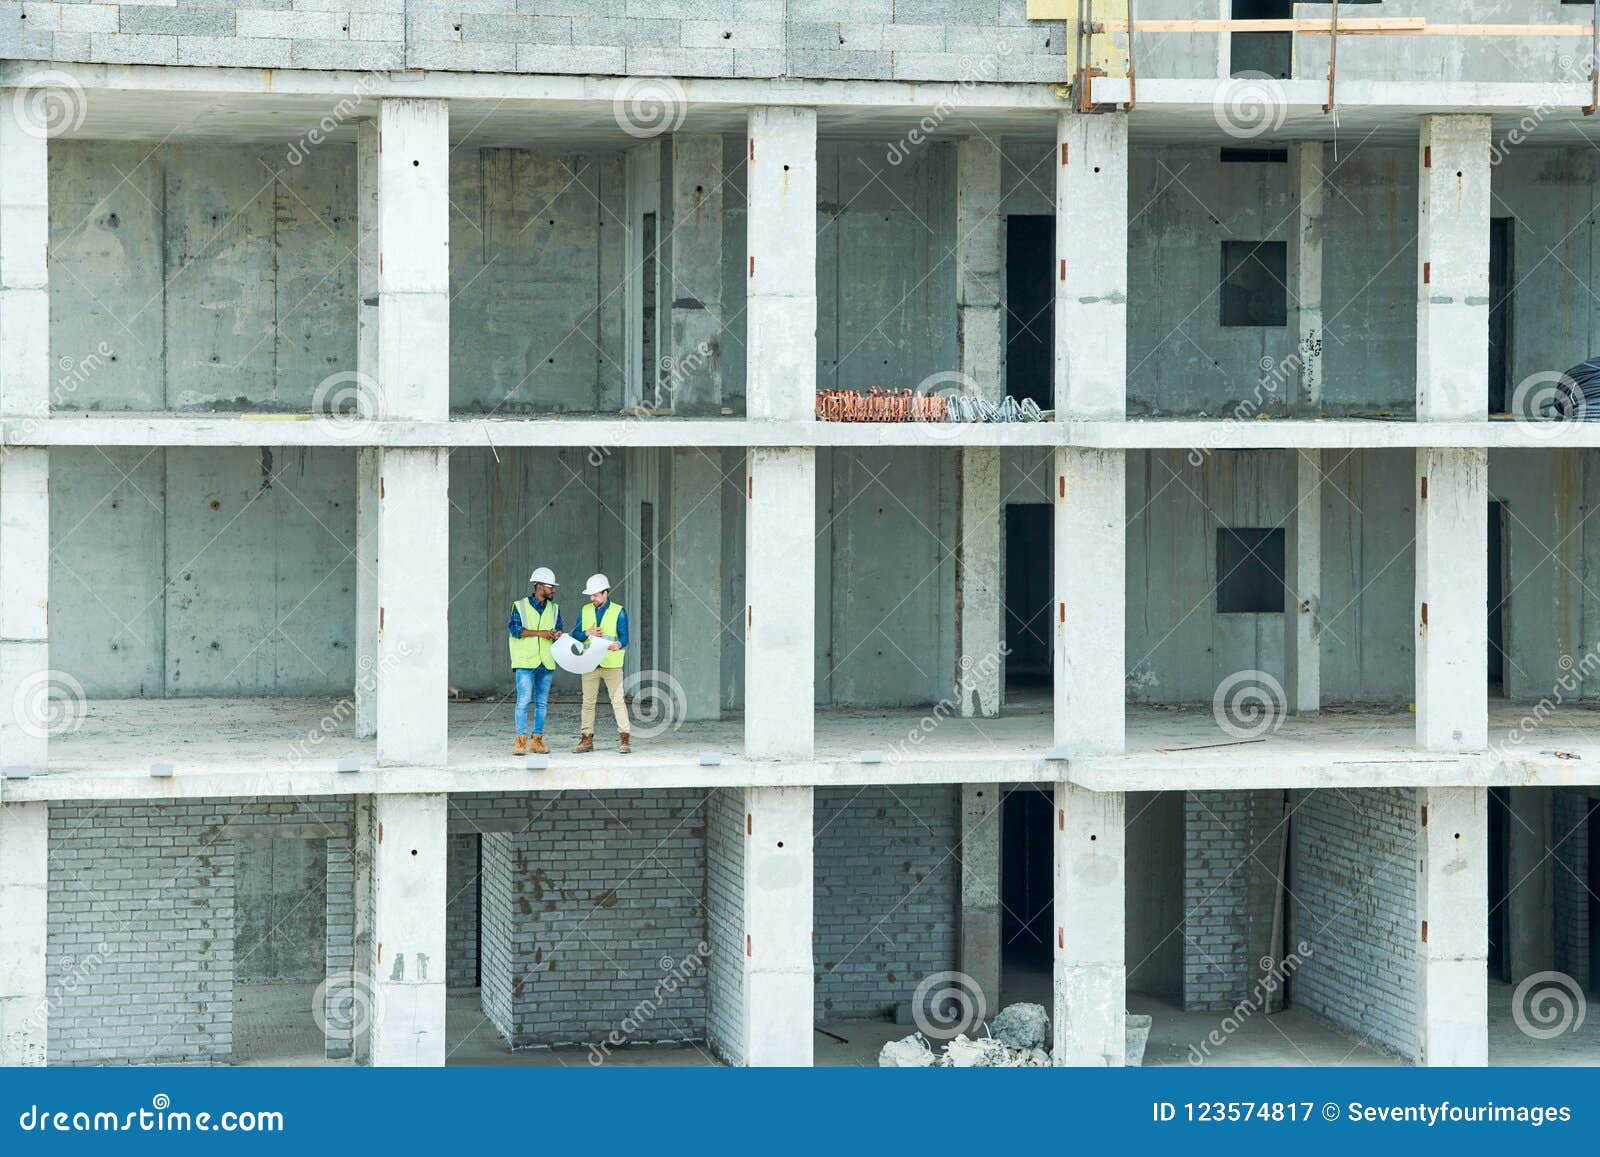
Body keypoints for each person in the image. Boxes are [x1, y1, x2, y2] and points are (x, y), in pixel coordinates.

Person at [571, 572, 631, 754]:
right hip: (589, 664)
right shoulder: (585, 610)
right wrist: (587, 633)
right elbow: (575, 636)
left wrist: (618, 644)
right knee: (588, 702)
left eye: (595, 595)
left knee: (618, 701)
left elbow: (625, 637)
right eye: (591, 595)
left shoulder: (619, 612)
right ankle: (586, 739)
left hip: (612, 664)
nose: (592, 598)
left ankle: (625, 739)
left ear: (605, 593)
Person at [508, 567, 562, 755]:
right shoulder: (520, 606)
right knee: (523, 701)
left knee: (542, 704)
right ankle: (520, 742)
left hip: (546, 662)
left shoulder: (554, 609)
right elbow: (516, 630)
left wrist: (557, 634)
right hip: (525, 662)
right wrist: (542, 633)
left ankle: (537, 741)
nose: (553, 590)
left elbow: (558, 629)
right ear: (539, 586)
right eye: (550, 586)